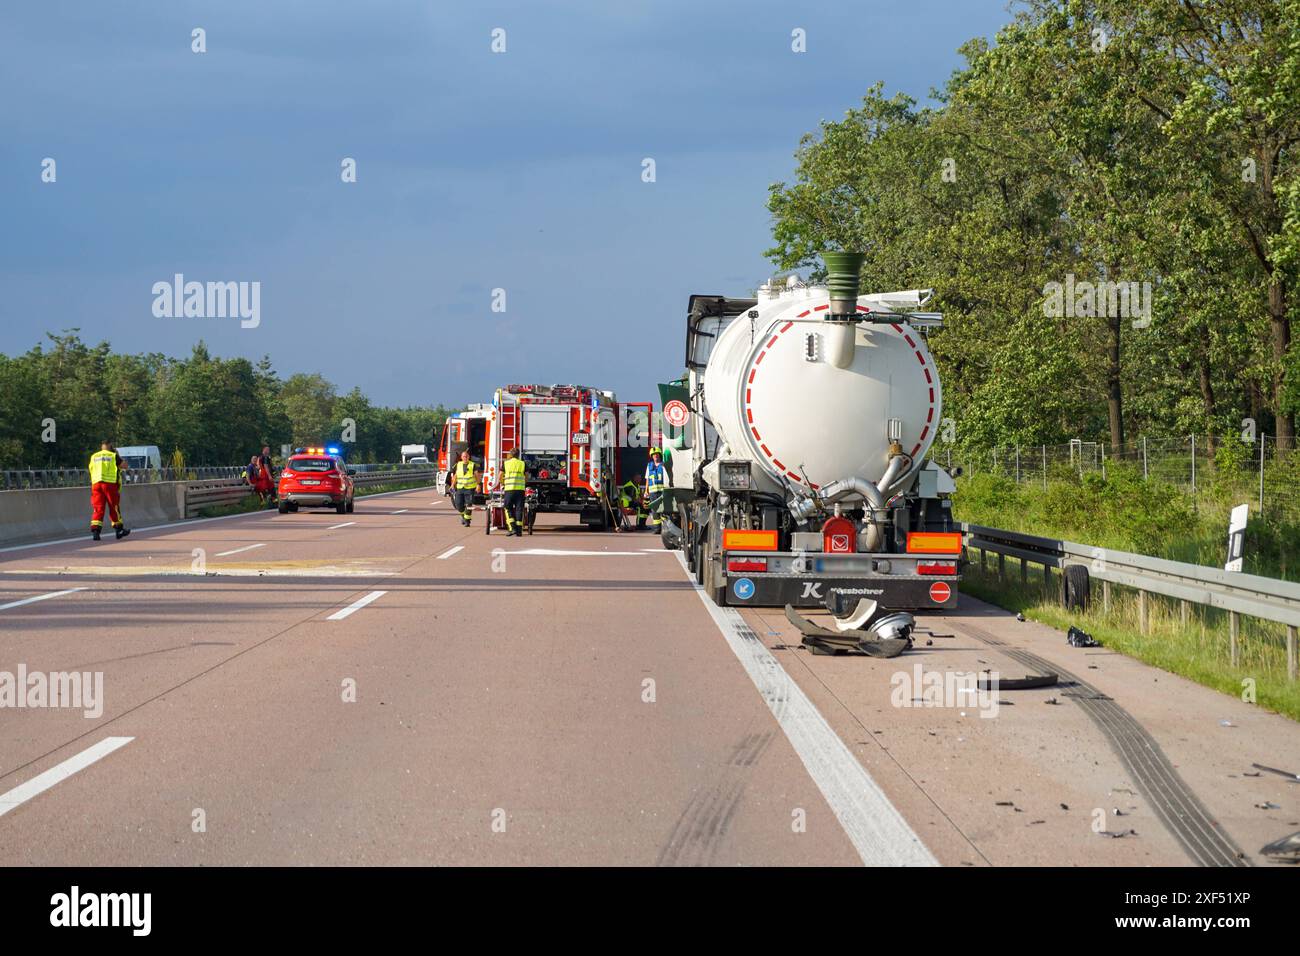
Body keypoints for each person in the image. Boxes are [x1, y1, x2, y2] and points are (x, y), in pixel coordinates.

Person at [88, 441, 129, 541]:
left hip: (96, 484)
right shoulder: (113, 455)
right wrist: (118, 456)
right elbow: (124, 466)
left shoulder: (94, 456)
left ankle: (96, 532)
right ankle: (118, 530)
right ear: (111, 447)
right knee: (113, 507)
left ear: (102, 447)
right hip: (109, 484)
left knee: (98, 508)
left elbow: (90, 468)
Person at [501, 447, 527, 537]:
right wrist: (524, 484)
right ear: (519, 455)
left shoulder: (506, 463)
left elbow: (500, 475)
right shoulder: (523, 463)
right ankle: (519, 531)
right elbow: (526, 475)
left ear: (511, 454)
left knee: (507, 508)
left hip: (509, 489)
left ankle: (512, 528)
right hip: (520, 490)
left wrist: (502, 483)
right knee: (519, 509)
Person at [643, 446, 667, 532]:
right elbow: (647, 479)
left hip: (662, 492)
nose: (655, 456)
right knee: (654, 510)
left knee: (664, 510)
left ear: (660, 455)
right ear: (652, 456)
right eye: (653, 455)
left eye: (657, 454)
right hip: (653, 492)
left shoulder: (663, 465)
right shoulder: (649, 466)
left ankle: (665, 529)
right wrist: (646, 491)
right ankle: (657, 529)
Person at [452, 450, 478, 527]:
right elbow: (456, 476)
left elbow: (477, 475)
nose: (465, 458)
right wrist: (452, 485)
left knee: (469, 504)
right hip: (460, 488)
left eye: (466, 456)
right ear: (461, 457)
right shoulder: (458, 464)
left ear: (469, 457)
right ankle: (464, 517)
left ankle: (467, 521)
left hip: (470, 488)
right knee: (458, 505)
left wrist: (478, 485)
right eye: (463, 456)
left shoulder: (473, 465)